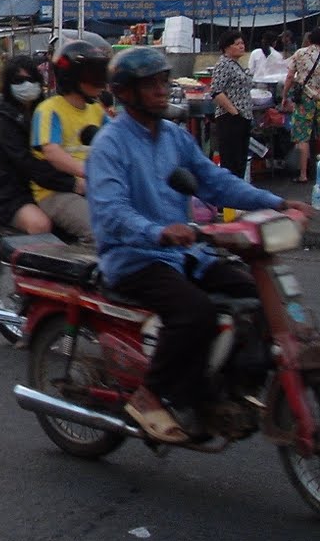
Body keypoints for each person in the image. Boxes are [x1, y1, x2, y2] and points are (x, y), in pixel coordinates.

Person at [88, 46, 310, 444]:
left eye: (162, 81)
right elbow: (111, 211)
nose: (161, 90)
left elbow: (216, 180)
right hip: (135, 257)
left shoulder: (174, 137)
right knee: (196, 313)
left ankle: (222, 391)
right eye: (150, 84)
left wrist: (276, 202)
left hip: (187, 253)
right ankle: (150, 395)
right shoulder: (110, 145)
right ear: (126, 93)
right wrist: (159, 231)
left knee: (259, 296)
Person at [0, 55, 89, 239]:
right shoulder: (4, 120)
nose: (26, 84)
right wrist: (72, 184)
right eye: (19, 81)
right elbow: (28, 163)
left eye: (31, 79)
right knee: (41, 225)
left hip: (51, 186)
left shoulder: (47, 111)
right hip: (16, 193)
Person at [27, 39, 110, 240]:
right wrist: (89, 173)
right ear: (72, 78)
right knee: (100, 230)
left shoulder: (97, 110)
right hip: (56, 192)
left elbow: (117, 140)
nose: (101, 83)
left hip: (97, 187)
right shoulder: (49, 110)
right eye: (94, 76)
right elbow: (52, 153)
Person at [209, 31, 254, 179]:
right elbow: (216, 91)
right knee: (232, 160)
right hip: (231, 118)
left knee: (240, 159)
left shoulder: (236, 65)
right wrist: (234, 112)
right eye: (237, 44)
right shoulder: (224, 65)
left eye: (242, 43)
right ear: (227, 47)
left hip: (243, 117)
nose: (242, 46)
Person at [283, 27, 320, 183]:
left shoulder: (300, 53)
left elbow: (290, 76)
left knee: (302, 137)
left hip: (305, 99)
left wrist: (285, 95)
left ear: (310, 39)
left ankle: (303, 175)